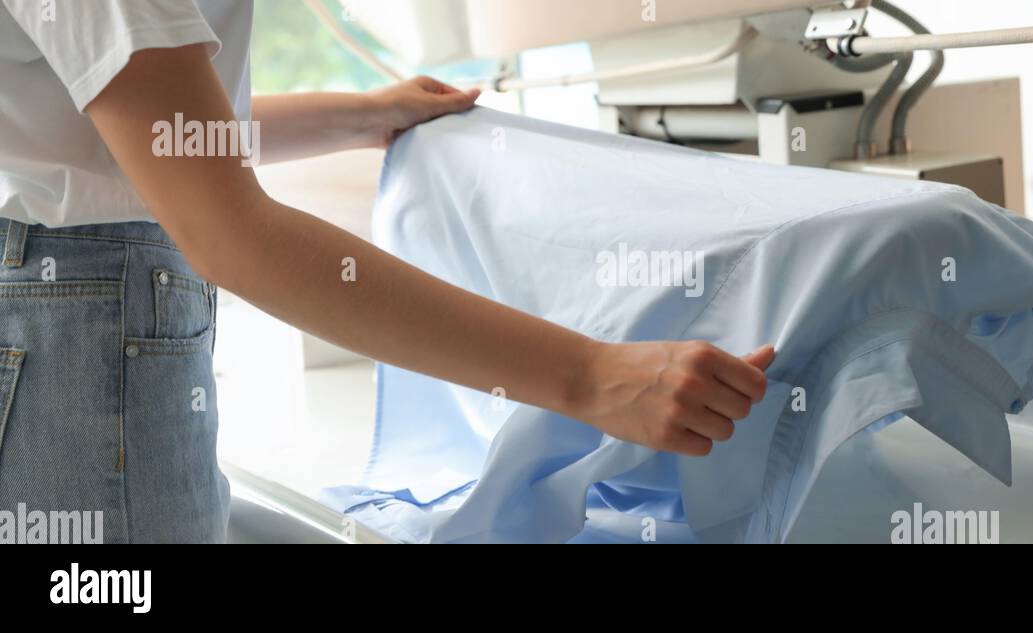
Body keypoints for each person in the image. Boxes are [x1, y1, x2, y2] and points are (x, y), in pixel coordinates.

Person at [0, 0, 773, 543]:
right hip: (80, 325)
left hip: (66, 308)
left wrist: (365, 114)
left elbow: (149, 137)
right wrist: (594, 376)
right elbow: (232, 234)